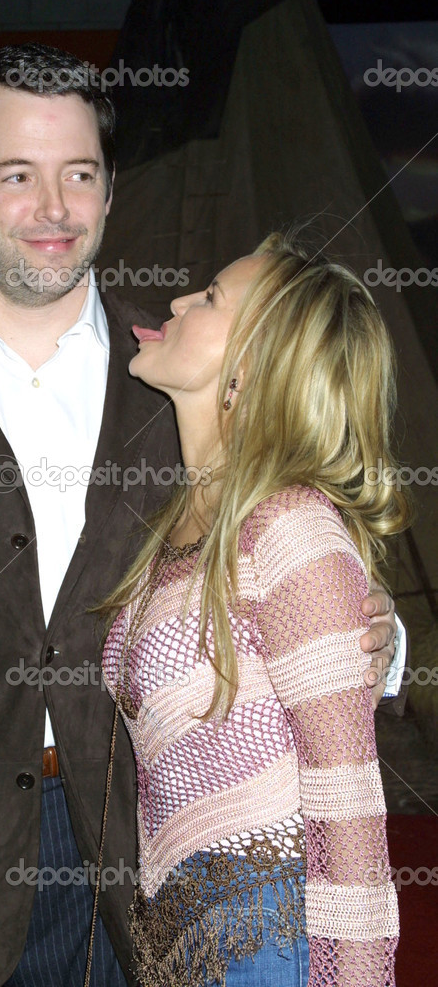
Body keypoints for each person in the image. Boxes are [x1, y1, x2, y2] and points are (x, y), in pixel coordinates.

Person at [0, 46, 399, 987]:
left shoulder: (181, 372)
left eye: (80, 175)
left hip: (140, 867)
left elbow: (294, 529)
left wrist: (382, 641)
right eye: (17, 175)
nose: (54, 208)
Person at [101, 233, 409, 986]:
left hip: (274, 938)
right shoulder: (183, 520)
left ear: (248, 368)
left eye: (208, 298)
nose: (175, 300)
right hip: (185, 946)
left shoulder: (290, 525)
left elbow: (350, 802)